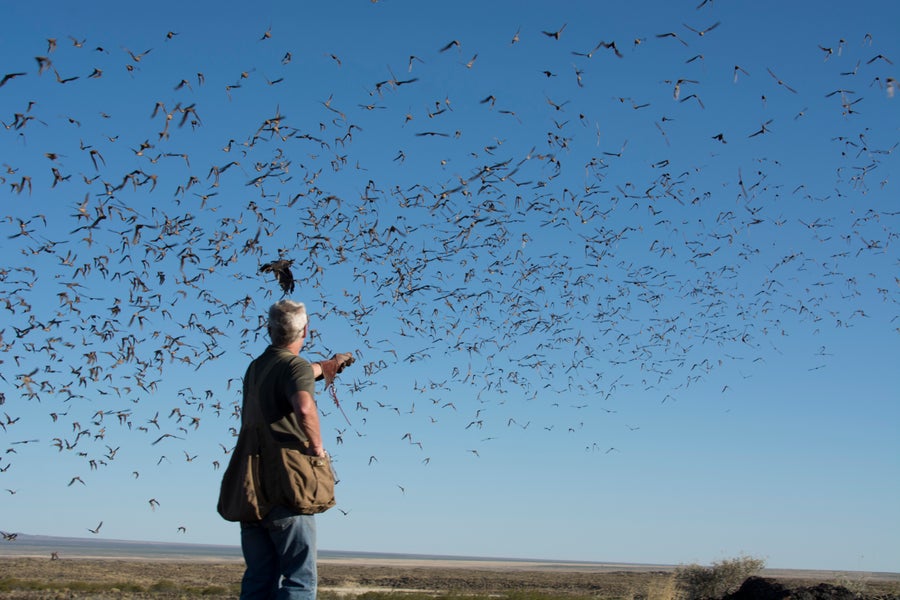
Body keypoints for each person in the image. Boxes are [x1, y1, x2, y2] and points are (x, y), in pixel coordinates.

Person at [236, 299, 354, 600]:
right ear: (306, 330)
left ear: (269, 329)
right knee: (299, 580)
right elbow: (303, 405)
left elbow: (292, 372)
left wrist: (326, 367)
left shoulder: (255, 368)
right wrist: (317, 449)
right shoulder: (294, 367)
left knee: (258, 580)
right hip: (286, 486)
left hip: (250, 488)